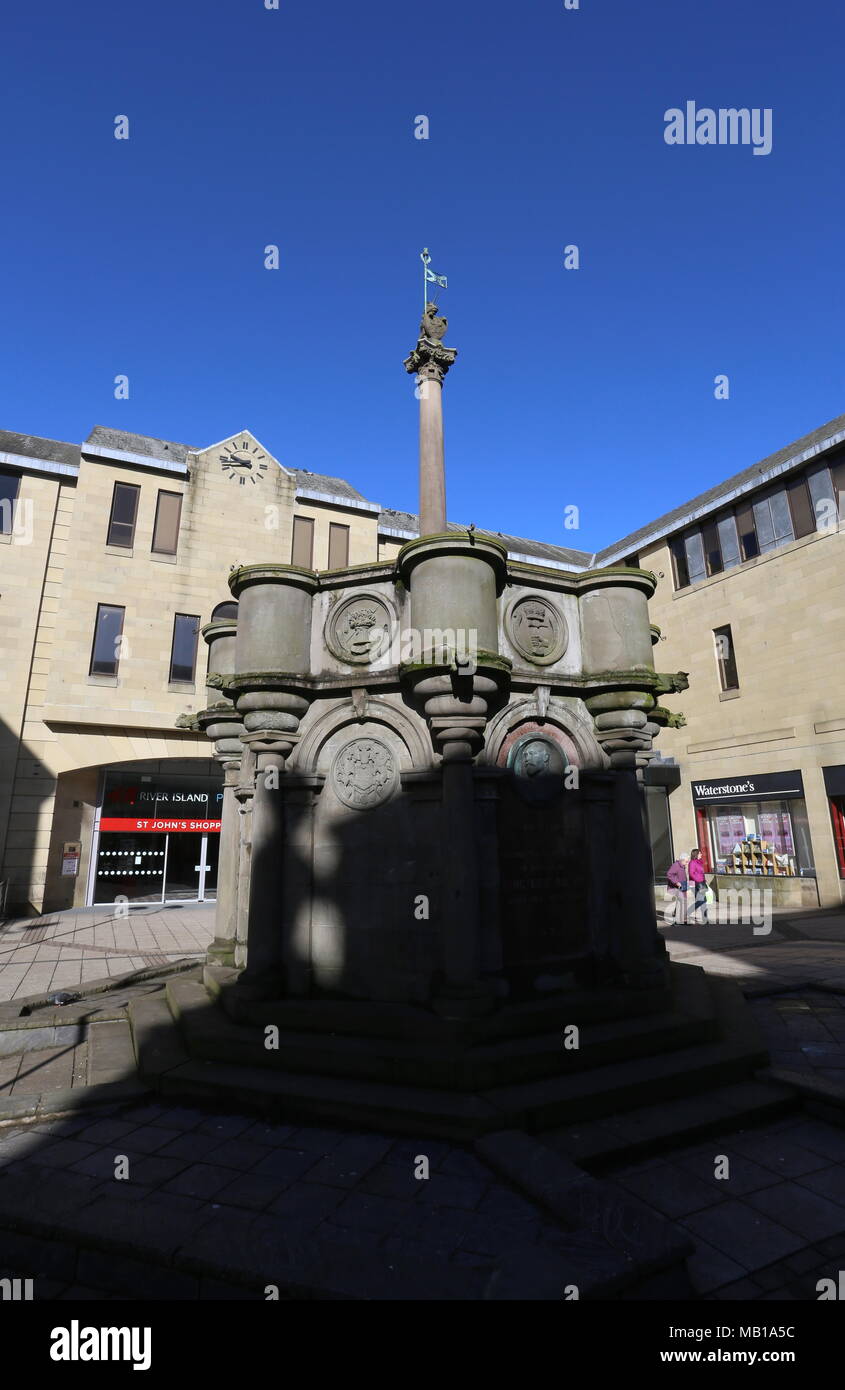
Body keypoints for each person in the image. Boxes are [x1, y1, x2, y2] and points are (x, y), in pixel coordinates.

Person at [665, 855, 689, 923]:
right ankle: (680, 919)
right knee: (681, 901)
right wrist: (676, 882)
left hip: (682, 886)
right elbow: (669, 874)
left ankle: (681, 918)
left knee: (683, 901)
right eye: (686, 861)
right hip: (676, 887)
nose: (687, 863)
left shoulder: (682, 866)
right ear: (682, 860)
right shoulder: (676, 865)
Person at [688, 848, 708, 923]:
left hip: (701, 883)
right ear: (696, 854)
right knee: (703, 900)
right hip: (695, 884)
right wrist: (699, 880)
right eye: (700, 853)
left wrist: (704, 881)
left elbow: (701, 873)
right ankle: (689, 911)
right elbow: (691, 873)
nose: (701, 854)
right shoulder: (692, 862)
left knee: (702, 901)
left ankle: (705, 918)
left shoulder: (699, 862)